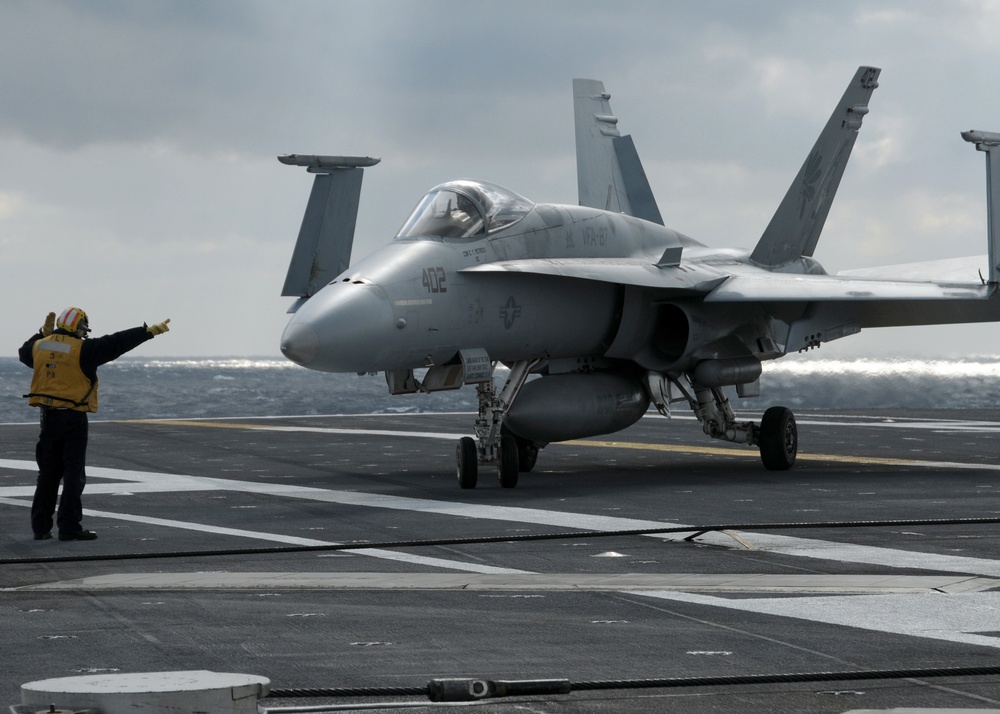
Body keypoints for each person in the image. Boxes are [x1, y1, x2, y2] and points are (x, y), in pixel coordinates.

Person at [19, 307, 171, 541]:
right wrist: (146, 332)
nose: (84, 333)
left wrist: (41, 333)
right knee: (73, 474)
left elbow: (23, 353)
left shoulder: (40, 346)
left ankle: (40, 528)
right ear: (76, 327)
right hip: (73, 419)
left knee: (47, 474)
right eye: (82, 329)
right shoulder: (84, 350)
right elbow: (116, 342)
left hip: (48, 418)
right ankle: (69, 526)